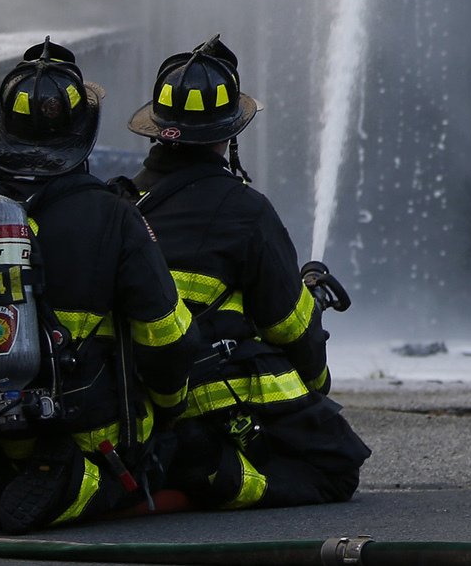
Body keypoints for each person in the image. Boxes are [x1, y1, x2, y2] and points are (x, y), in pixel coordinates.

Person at [0, 39, 198, 534]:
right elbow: (166, 342)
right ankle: (72, 480)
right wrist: (170, 409)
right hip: (89, 434)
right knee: (151, 456)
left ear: (0, 132)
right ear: (81, 136)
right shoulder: (115, 219)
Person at [128, 36, 369, 508]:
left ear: (158, 129)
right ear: (227, 132)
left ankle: (181, 465)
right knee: (335, 470)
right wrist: (315, 394)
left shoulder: (121, 203)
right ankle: (216, 476)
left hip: (136, 404)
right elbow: (289, 325)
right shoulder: (245, 211)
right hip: (211, 396)